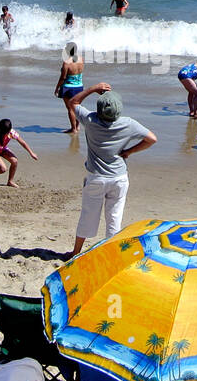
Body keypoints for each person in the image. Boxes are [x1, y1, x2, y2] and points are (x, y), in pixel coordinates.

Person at [67, 83, 156, 257]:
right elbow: (152, 139)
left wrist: (93, 89)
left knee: (88, 216)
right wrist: (129, 151)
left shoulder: (90, 120)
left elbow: (73, 102)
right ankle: (111, 254)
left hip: (96, 177)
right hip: (119, 178)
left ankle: (76, 253)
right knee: (114, 218)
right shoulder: (128, 124)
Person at [0, 118, 38, 186]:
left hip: (2, 149)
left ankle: (10, 181)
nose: (6, 134)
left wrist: (31, 153)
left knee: (15, 161)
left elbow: (22, 142)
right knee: (3, 169)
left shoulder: (11, 133)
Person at [55, 41, 86, 132]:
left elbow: (63, 78)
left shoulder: (67, 63)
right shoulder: (81, 59)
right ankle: (77, 126)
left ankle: (73, 129)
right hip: (79, 86)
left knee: (70, 108)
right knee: (77, 107)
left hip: (69, 87)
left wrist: (57, 88)